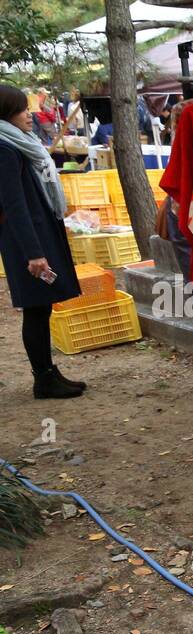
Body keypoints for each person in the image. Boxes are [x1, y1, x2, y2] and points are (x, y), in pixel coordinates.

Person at [0, 83, 85, 399]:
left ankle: (49, 372)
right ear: (7, 113)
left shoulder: (18, 144)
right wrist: (34, 253)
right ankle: (43, 378)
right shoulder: (4, 149)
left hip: (35, 231)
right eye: (23, 109)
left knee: (42, 305)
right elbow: (13, 204)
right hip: (25, 239)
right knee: (35, 307)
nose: (30, 115)